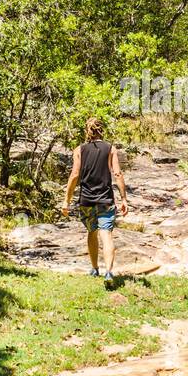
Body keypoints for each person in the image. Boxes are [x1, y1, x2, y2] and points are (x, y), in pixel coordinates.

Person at [62, 118, 128, 279]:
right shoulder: (110, 149)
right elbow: (118, 174)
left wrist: (66, 200)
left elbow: (75, 175)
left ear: (87, 131)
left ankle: (94, 268)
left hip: (86, 200)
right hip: (105, 200)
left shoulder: (79, 150)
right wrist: (124, 198)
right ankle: (109, 273)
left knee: (92, 231)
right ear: (101, 130)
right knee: (106, 234)